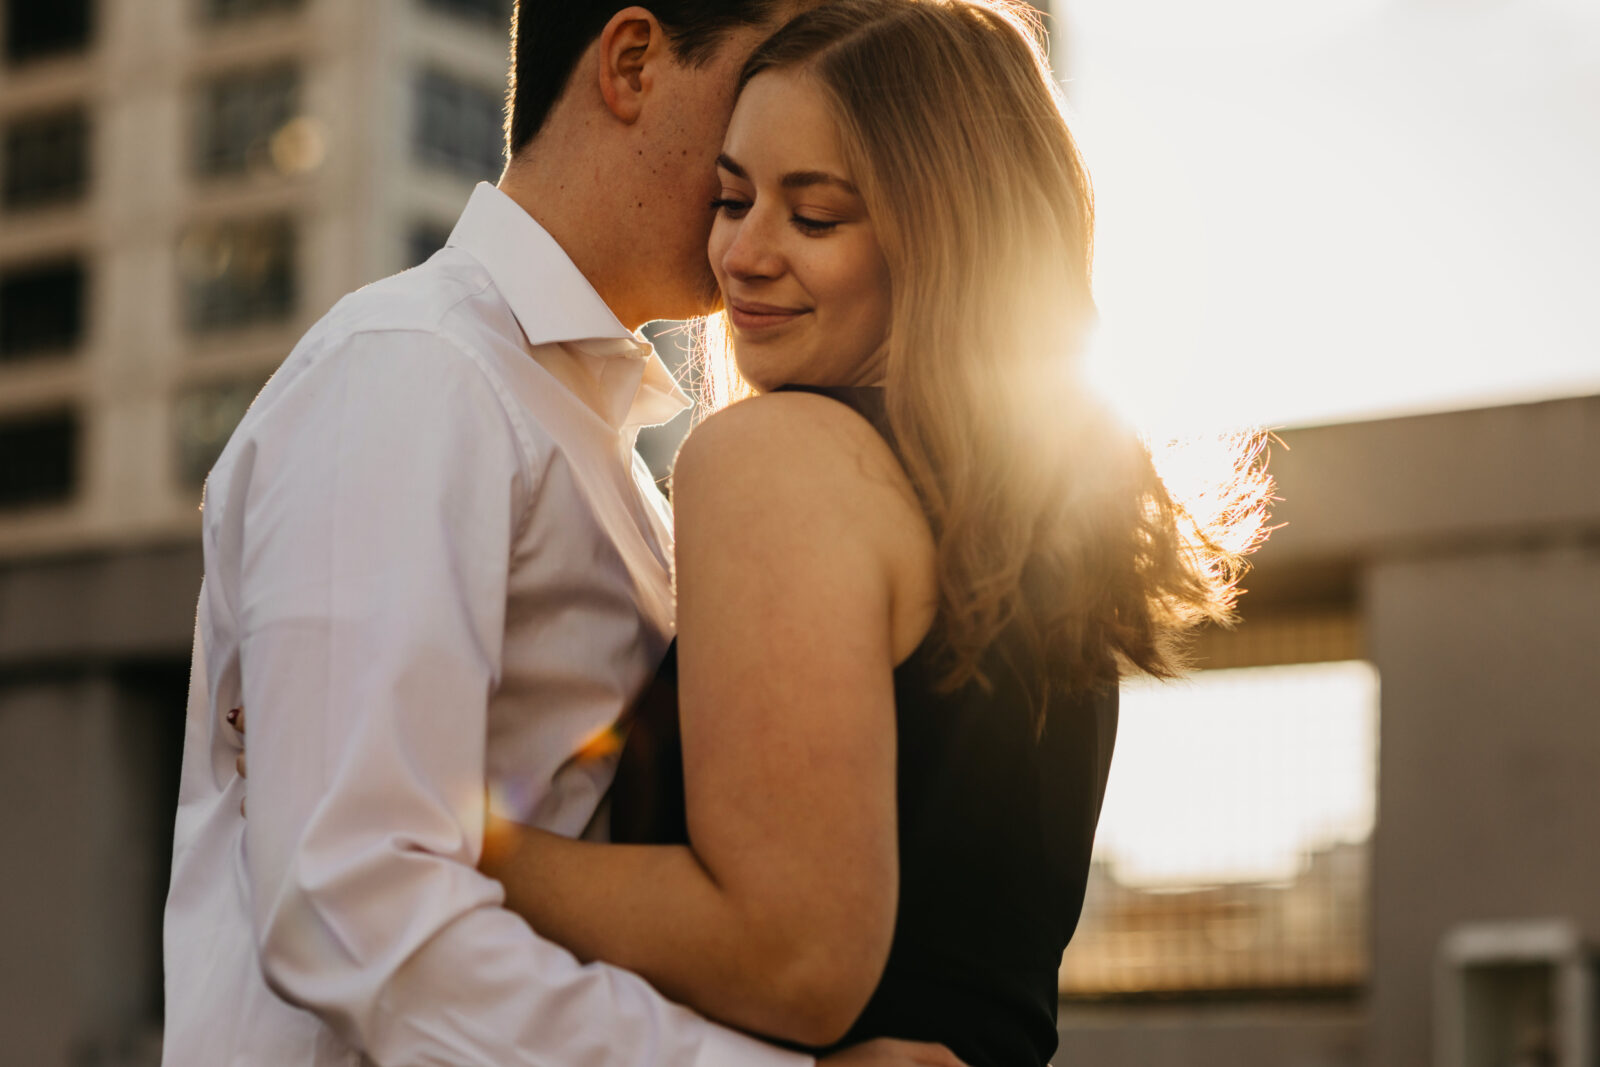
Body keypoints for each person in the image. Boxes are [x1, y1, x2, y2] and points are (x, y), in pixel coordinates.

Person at [470, 2, 1272, 1065]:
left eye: (815, 217)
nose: (739, 258)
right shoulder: (1042, 526)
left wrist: (449, 835)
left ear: (941, 233)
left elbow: (788, 954)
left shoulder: (782, 458)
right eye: (731, 197)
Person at [158, 1, 959, 1064]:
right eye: (770, 66)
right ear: (632, 63)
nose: (800, 113)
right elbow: (349, 897)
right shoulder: (415, 367)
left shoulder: (600, 447)